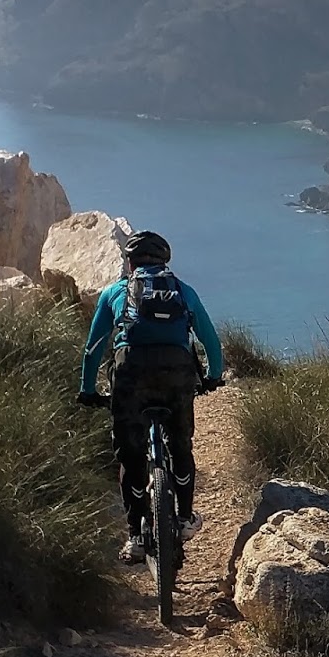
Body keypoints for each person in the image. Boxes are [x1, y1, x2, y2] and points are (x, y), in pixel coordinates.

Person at [77, 230, 224, 563]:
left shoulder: (115, 292)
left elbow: (93, 350)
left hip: (131, 377)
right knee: (181, 445)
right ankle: (185, 518)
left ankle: (135, 538)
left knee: (131, 458)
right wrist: (213, 378)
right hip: (177, 375)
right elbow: (211, 343)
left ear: (129, 263)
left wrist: (88, 390)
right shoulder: (184, 293)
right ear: (164, 263)